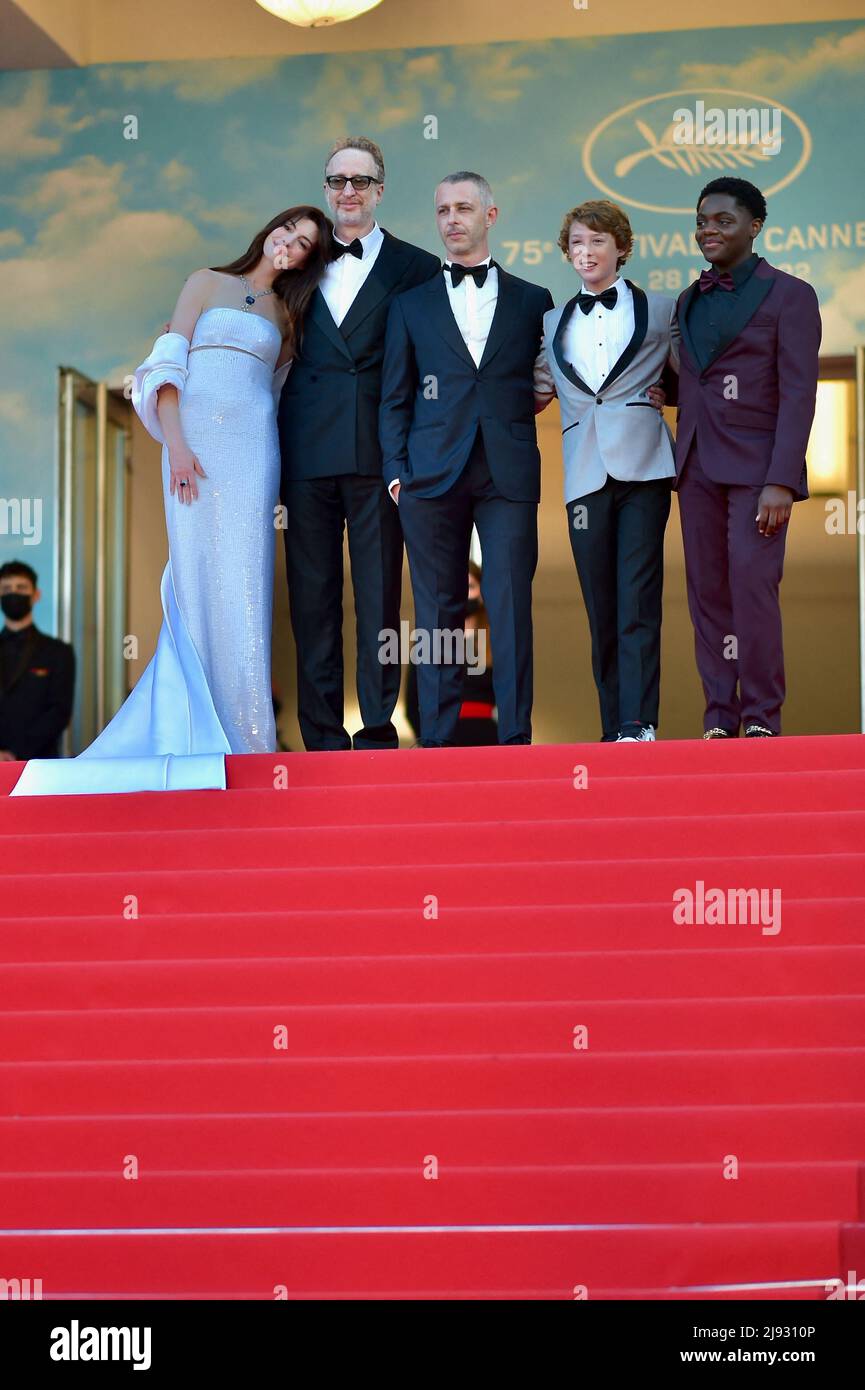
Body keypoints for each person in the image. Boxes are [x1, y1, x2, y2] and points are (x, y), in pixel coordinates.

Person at [12, 207, 332, 797]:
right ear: (271, 228)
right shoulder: (206, 281)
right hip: (191, 446)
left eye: (306, 245)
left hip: (253, 457)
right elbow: (166, 366)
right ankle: (190, 726)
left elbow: (278, 394)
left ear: (310, 260)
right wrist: (177, 446)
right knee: (194, 576)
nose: (291, 244)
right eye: (289, 230)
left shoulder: (290, 317)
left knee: (245, 584)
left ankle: (246, 737)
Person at [277, 137, 440, 753]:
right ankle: (320, 735)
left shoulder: (419, 267)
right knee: (312, 600)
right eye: (337, 180)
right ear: (326, 189)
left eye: (361, 180)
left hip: (381, 453)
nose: (348, 190)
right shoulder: (295, 261)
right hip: (306, 454)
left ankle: (376, 728)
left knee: (379, 597)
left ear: (380, 188)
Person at [380, 171, 553, 747]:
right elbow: (394, 397)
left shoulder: (535, 301)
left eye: (463, 208)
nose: (452, 219)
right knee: (435, 611)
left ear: (490, 216)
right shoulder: (409, 306)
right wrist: (395, 475)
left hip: (506, 471)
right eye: (442, 210)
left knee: (508, 602)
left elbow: (555, 376)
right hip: (428, 475)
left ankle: (516, 738)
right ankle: (438, 740)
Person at [674, 177, 821, 739]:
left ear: (755, 226)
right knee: (707, 595)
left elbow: (800, 391)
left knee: (753, 590)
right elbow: (692, 381)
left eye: (723, 220)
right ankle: (719, 717)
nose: (708, 230)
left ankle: (760, 716)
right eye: (702, 221)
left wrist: (782, 479)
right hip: (696, 469)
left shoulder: (791, 295)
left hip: (760, 474)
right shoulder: (690, 298)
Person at [534, 199, 677, 743]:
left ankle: (638, 725)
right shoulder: (550, 323)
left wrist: (676, 393)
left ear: (620, 247)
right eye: (576, 243)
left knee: (637, 596)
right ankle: (613, 725)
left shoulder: (663, 311)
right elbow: (536, 391)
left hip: (643, 468)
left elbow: (696, 378)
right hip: (584, 475)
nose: (585, 251)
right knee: (601, 604)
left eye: (596, 241)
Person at [404, 561, 497, 746]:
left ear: (482, 593)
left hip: (487, 737)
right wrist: (426, 740)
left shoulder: (494, 640)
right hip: (445, 737)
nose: (464, 593)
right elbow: (412, 702)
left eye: (470, 586)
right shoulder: (430, 641)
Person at [0, 560, 74, 761]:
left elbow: (59, 712)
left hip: (40, 765)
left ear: (35, 595)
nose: (13, 593)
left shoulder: (59, 652)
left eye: (21, 587)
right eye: (6, 588)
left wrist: (15, 753)